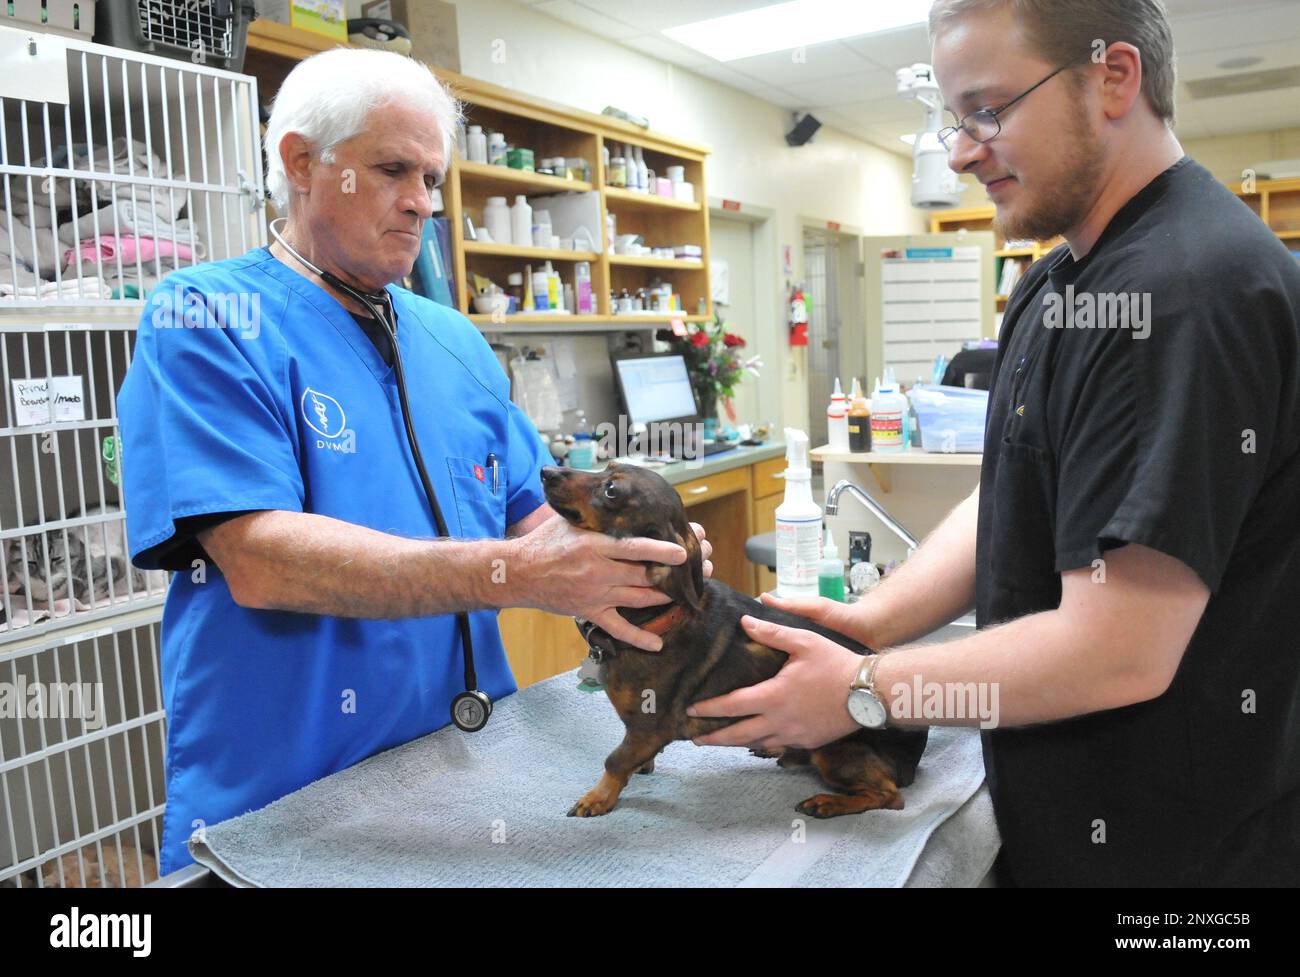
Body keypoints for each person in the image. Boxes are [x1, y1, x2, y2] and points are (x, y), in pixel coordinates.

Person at [690, 0, 1300, 886]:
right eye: (952, 118)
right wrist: (871, 625)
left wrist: (867, 690)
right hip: (1060, 817)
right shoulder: (1058, 280)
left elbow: (1118, 647)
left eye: (988, 109)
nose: (961, 149)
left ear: (1112, 78)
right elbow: (1015, 494)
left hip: (1176, 862)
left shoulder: (1190, 295)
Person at [117, 48, 710, 876]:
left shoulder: (455, 340)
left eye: (432, 178)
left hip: (470, 768)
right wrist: (521, 572)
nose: (422, 205)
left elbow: (539, 524)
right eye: (394, 170)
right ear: (300, 162)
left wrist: (634, 557)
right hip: (291, 791)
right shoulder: (208, 316)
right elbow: (256, 559)